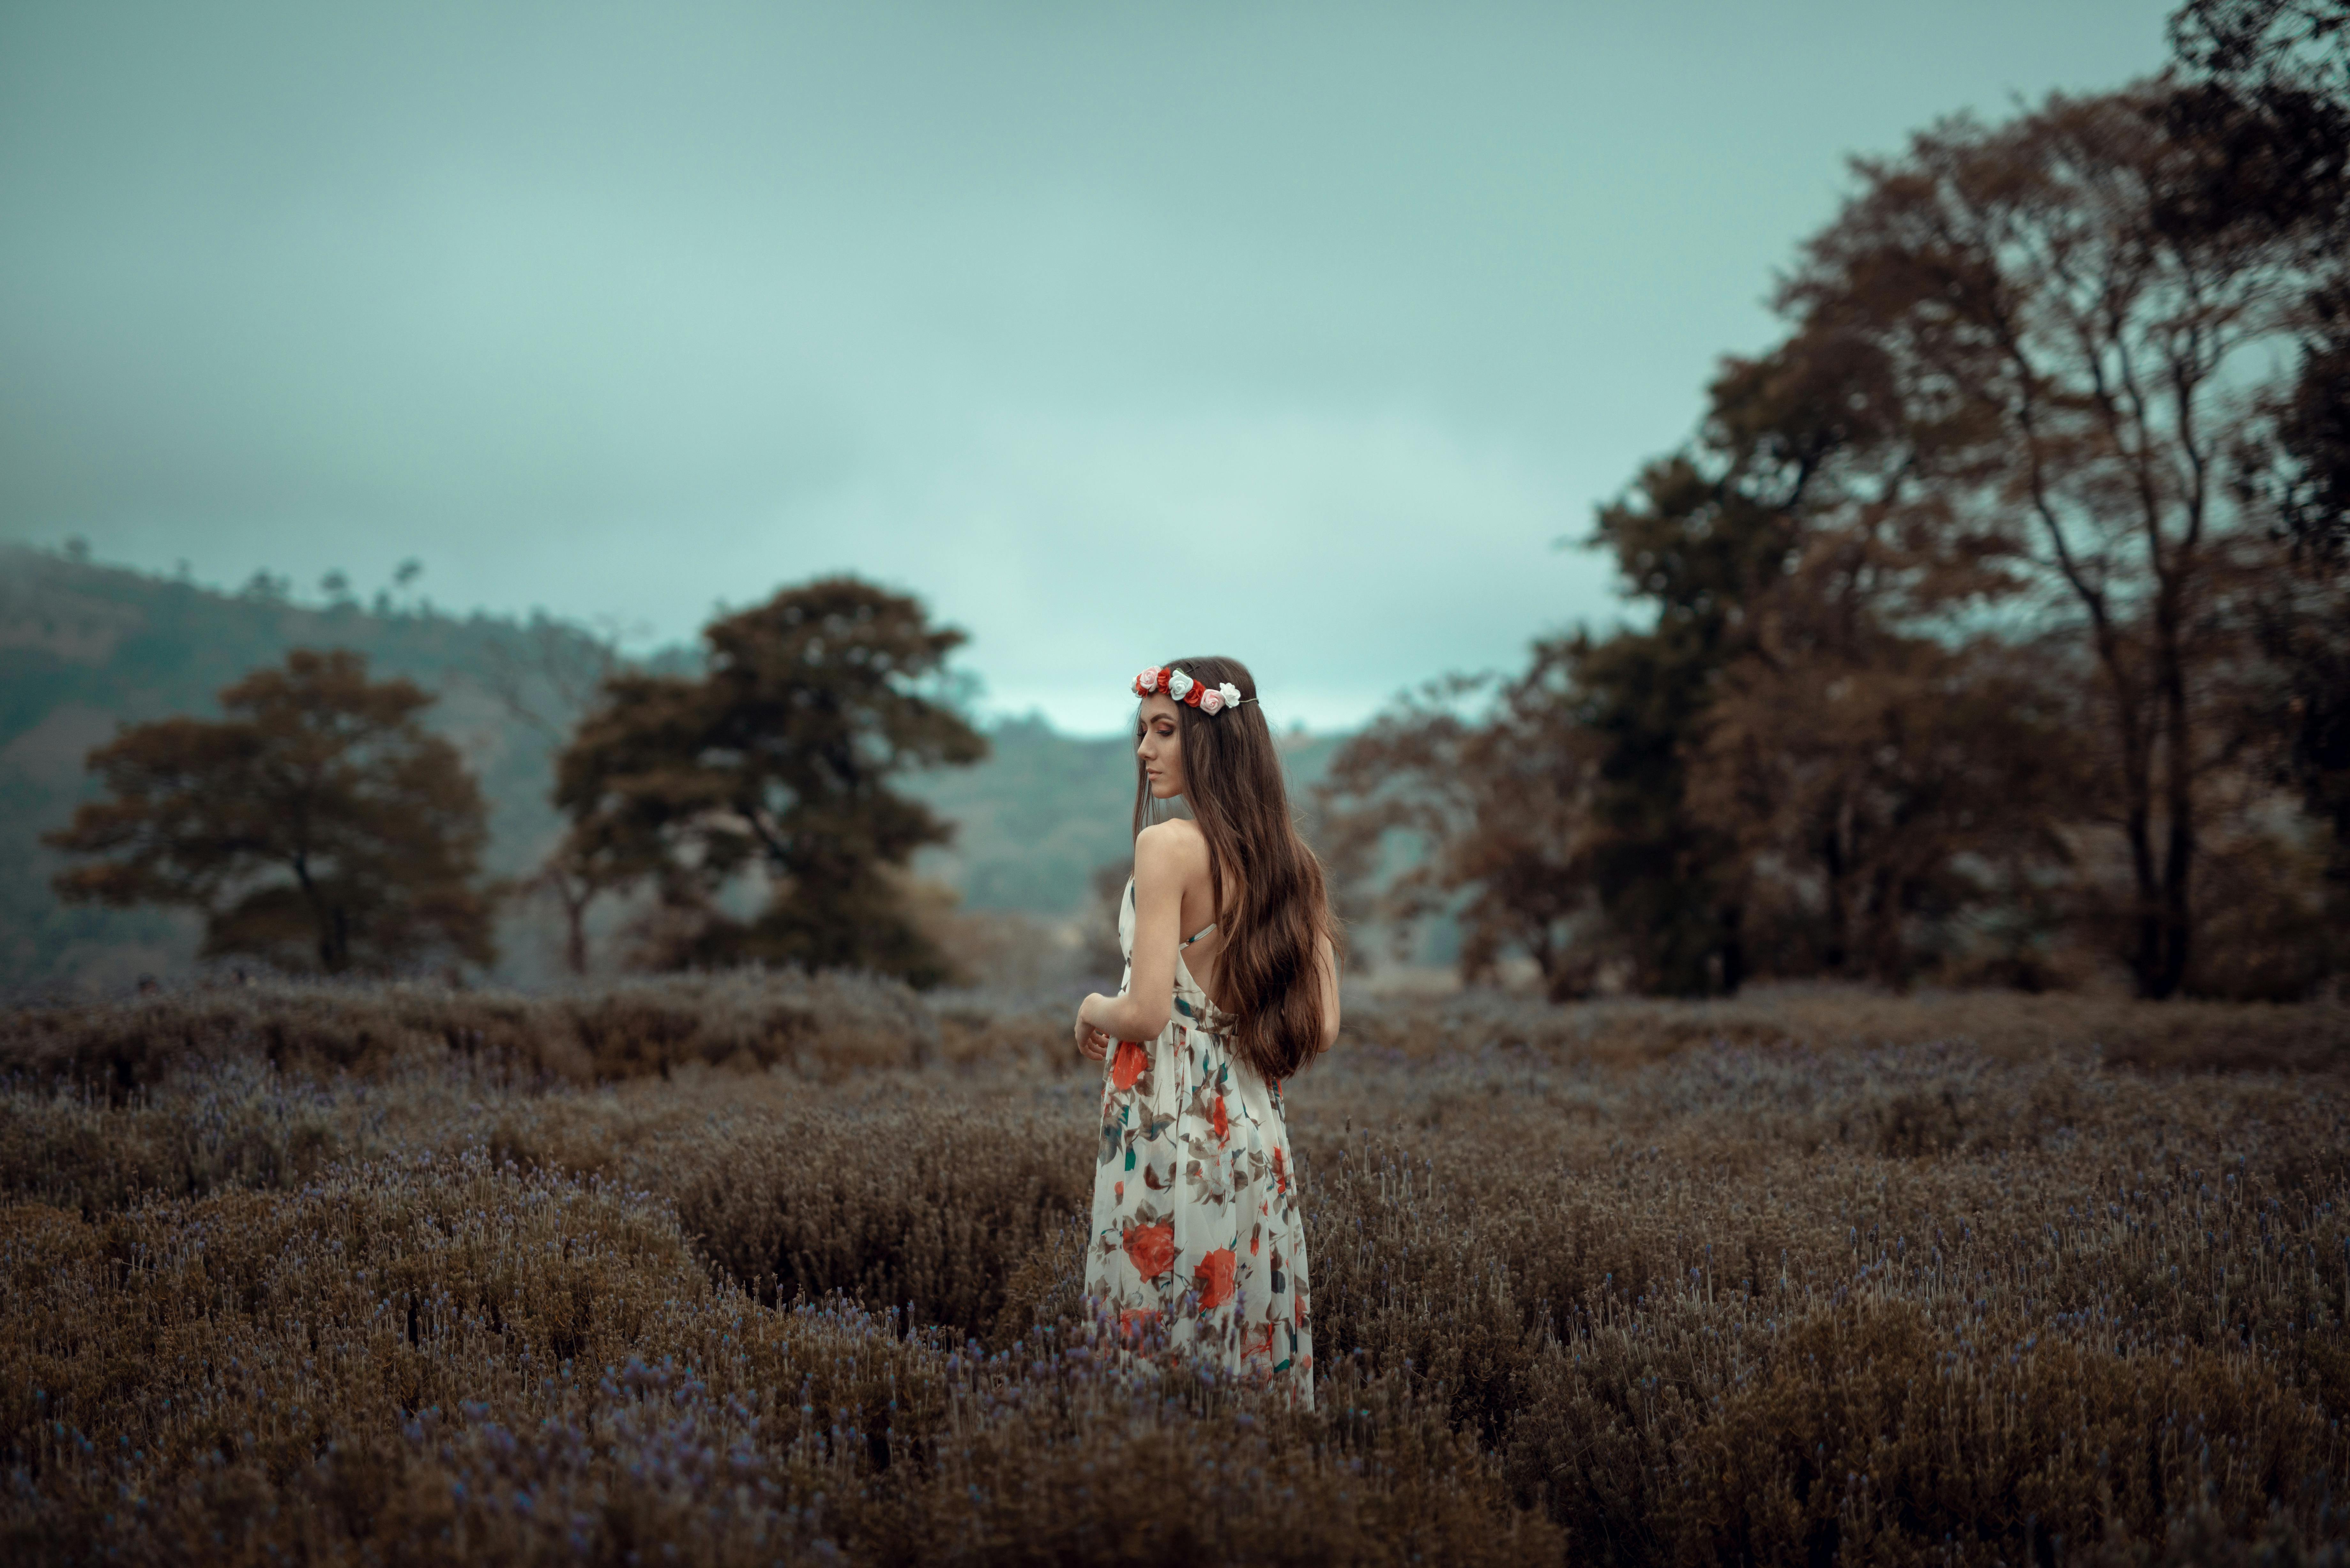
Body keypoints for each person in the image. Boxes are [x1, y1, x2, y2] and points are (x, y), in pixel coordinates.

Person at [1071, 656, 1339, 1404]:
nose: (1143, 749)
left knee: (1156, 1331)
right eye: (1141, 731)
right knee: (1247, 1329)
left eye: (1164, 730)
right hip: (1256, 1133)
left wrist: (1093, 1006)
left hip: (1168, 1128)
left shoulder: (1168, 846)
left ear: (1212, 741)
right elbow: (1324, 1026)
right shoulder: (1292, 861)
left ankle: (1163, 1492)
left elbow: (1147, 1012)